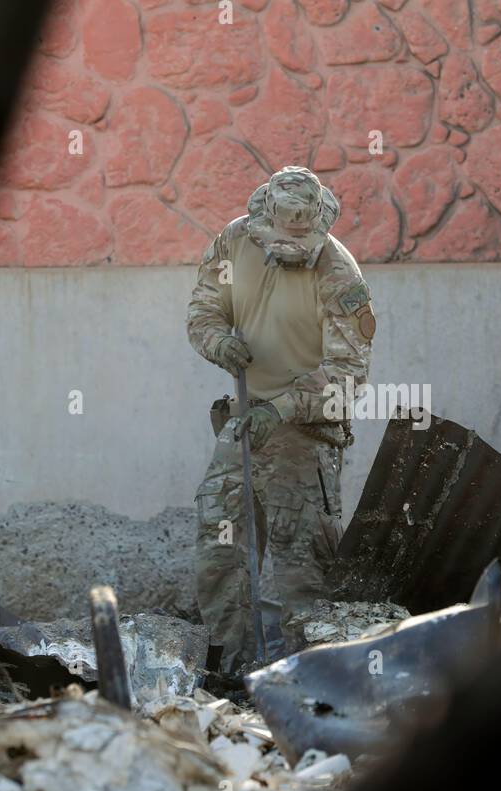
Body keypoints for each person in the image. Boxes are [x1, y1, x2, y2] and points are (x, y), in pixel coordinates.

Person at [186, 166, 376, 674]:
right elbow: (203, 312)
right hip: (246, 423)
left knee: (302, 577)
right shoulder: (234, 242)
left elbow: (348, 376)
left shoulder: (339, 275)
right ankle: (231, 673)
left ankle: (310, 681)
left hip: (308, 435)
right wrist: (219, 343)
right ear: (263, 217)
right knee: (219, 553)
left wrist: (283, 409)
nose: (293, 246)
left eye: (303, 236)